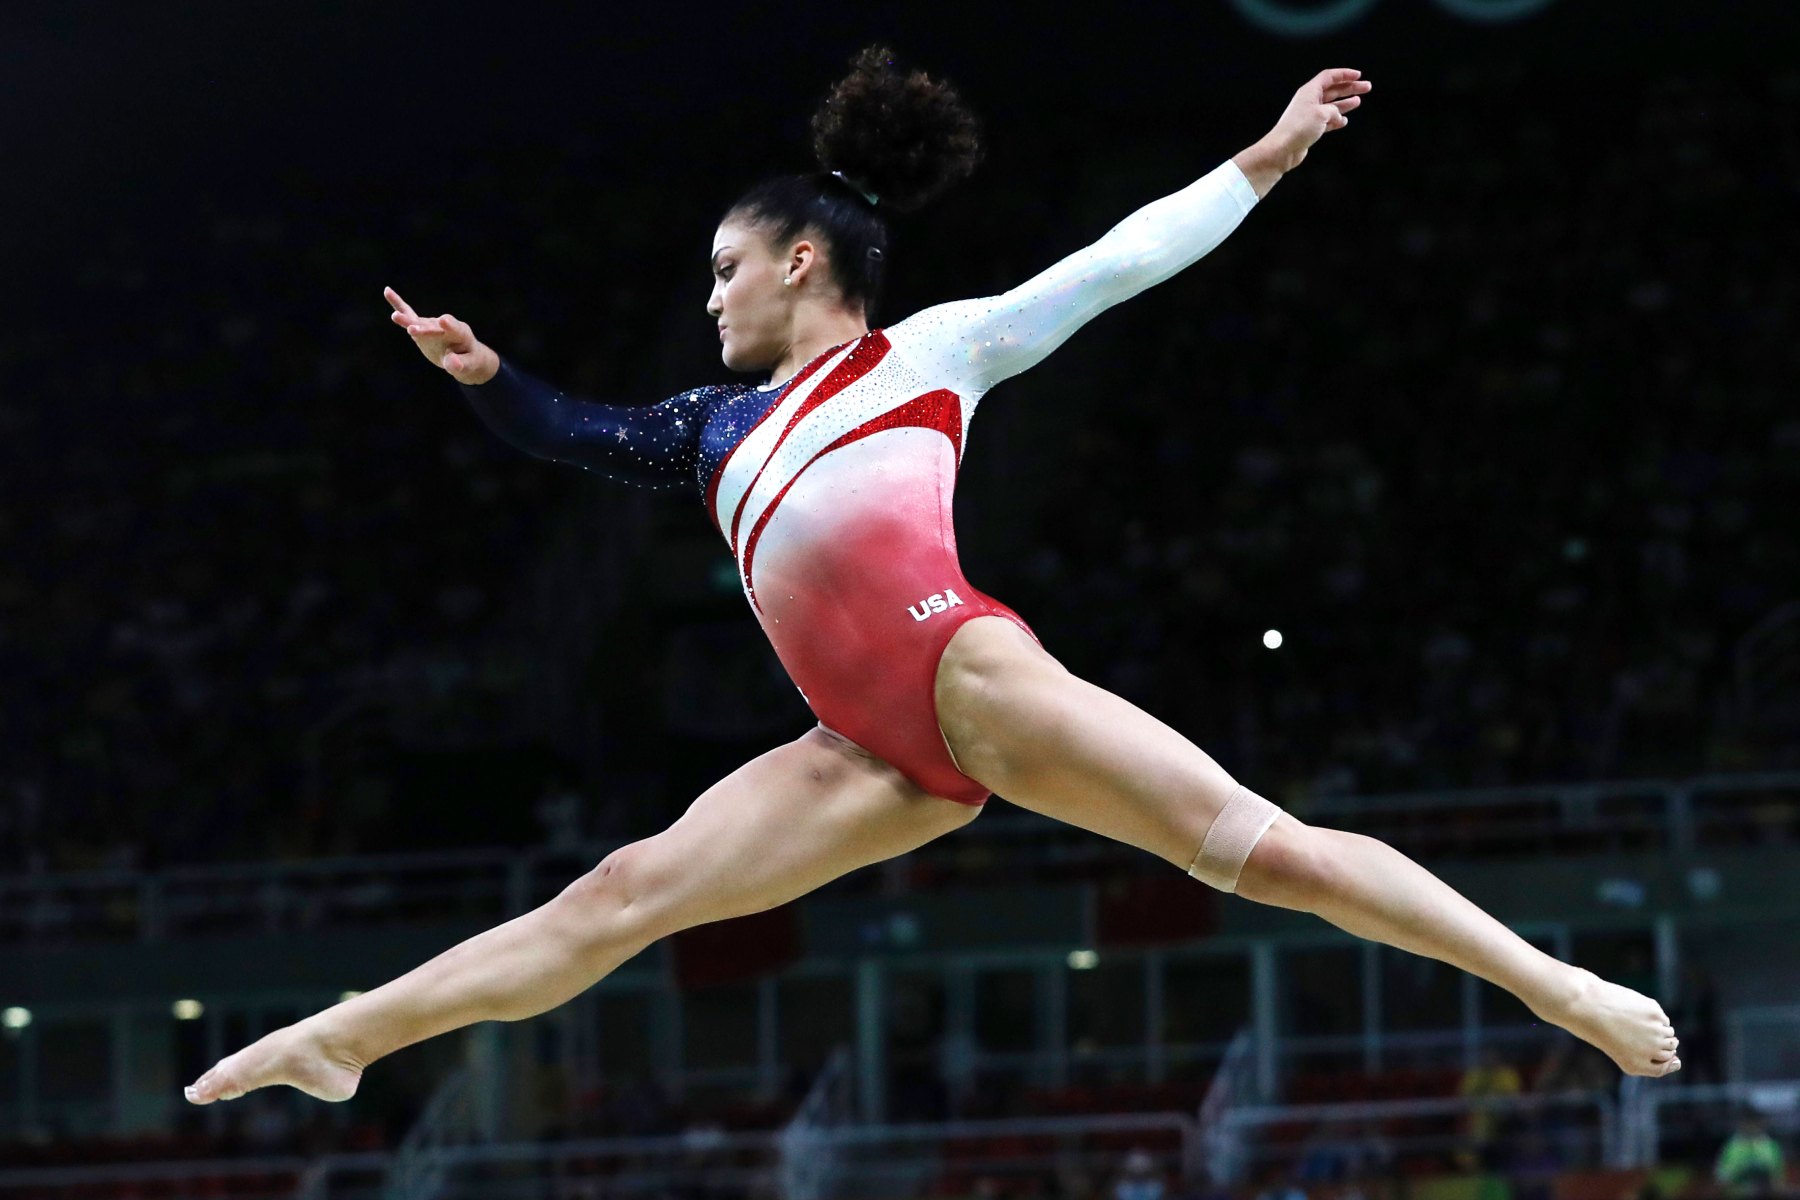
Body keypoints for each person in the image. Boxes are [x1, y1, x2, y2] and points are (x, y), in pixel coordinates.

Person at [182, 45, 1679, 1107]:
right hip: (864, 751)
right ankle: (350, 1036)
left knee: (1265, 854)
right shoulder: (707, 431)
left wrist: (1265, 159)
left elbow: (1111, 266)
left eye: (724, 267)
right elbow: (574, 432)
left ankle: (1557, 987)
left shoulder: (930, 356)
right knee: (622, 893)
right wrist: (487, 374)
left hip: (969, 674)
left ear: (800, 263)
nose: (707, 293)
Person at [1715, 1108, 1786, 1199]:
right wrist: (1741, 1173)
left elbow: (1778, 1183)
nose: (1752, 1126)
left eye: (1755, 1122)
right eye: (1748, 1122)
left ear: (1762, 1123)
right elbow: (1721, 1182)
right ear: (1741, 1124)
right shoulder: (1730, 1148)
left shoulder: (1772, 1147)